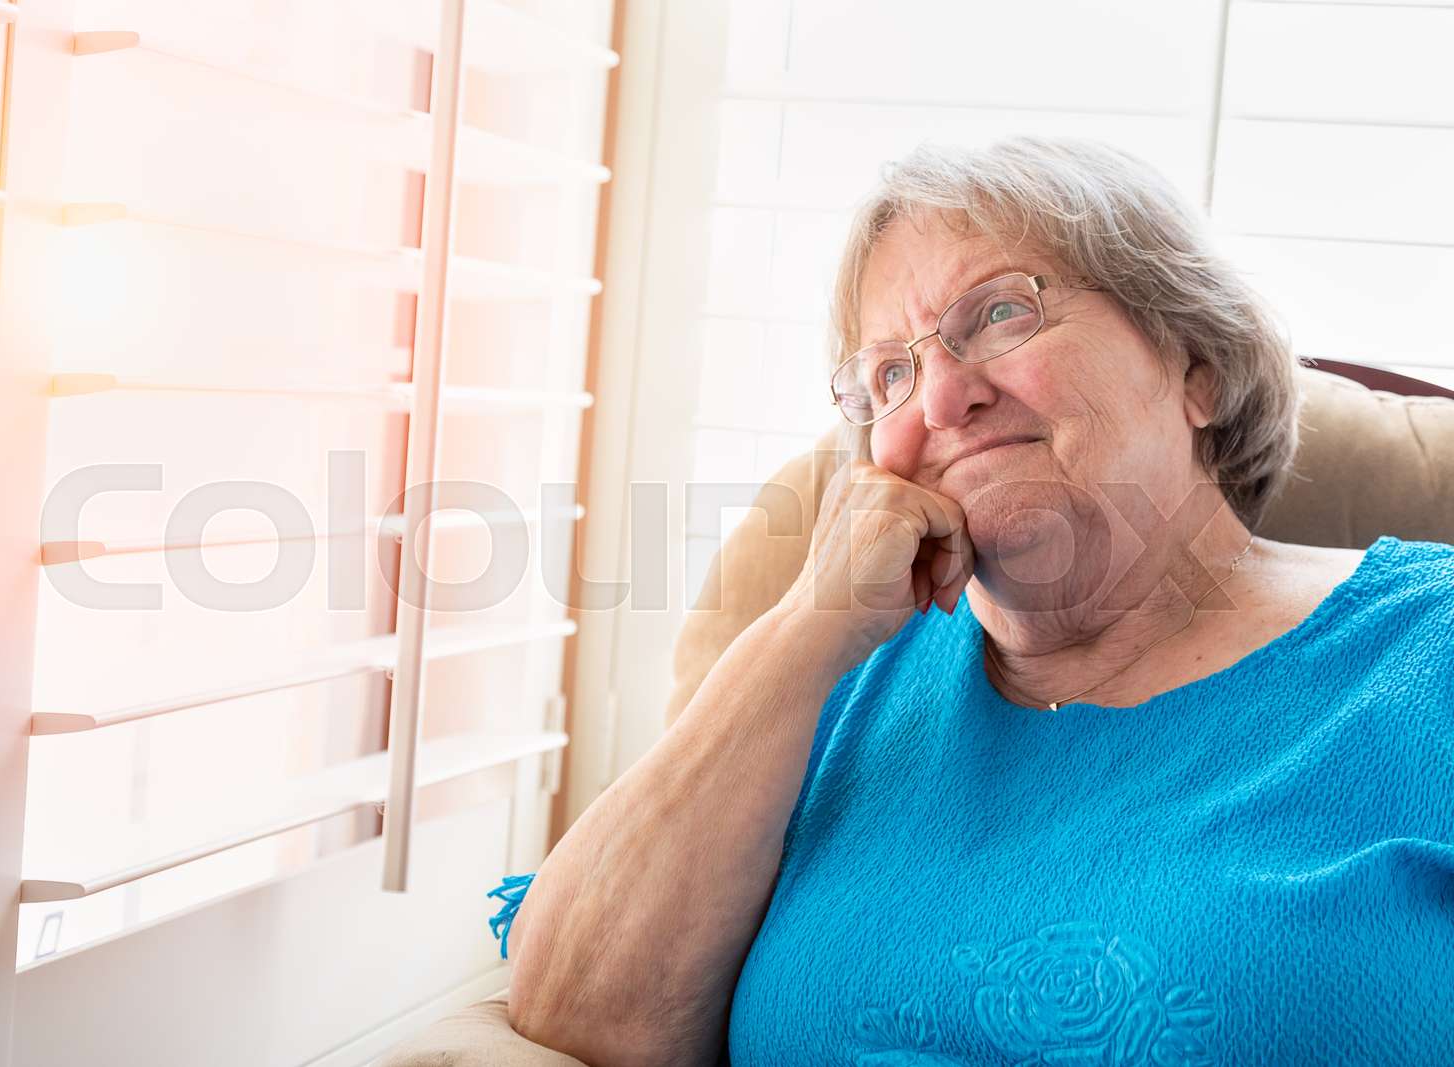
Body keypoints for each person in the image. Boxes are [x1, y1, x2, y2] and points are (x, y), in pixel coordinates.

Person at [485, 137, 1454, 1065]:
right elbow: (576, 1014)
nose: (941, 399)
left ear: (1193, 365)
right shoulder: (826, 683)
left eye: (998, 313)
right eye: (890, 373)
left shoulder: (1427, 646)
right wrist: (803, 630)